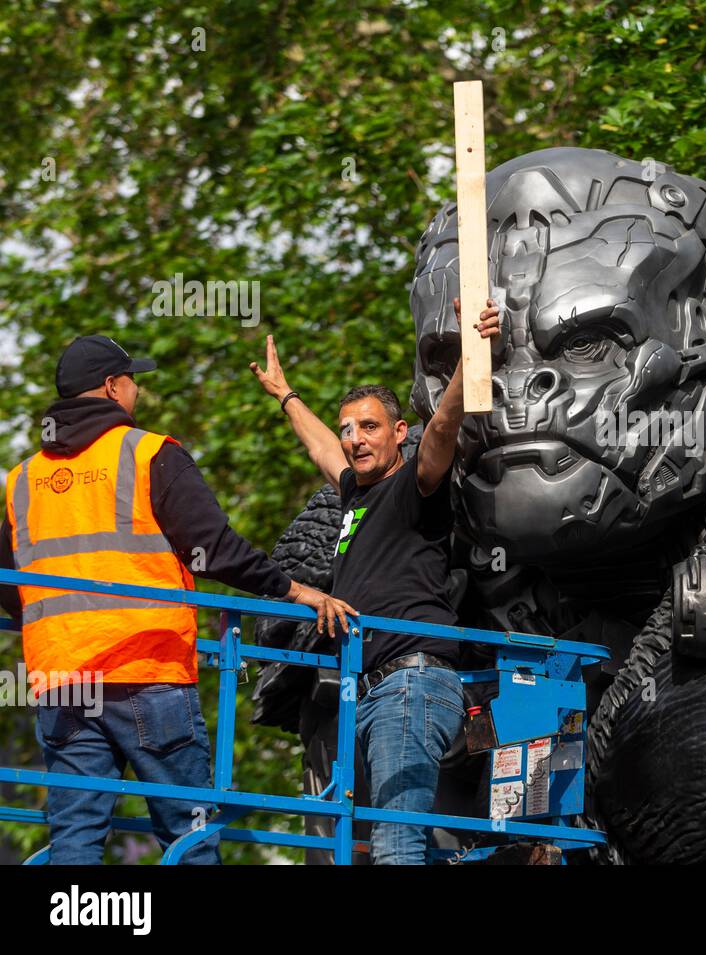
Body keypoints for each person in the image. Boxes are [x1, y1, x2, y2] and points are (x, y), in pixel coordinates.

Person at [0, 334, 354, 864]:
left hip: (62, 681)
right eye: (133, 380)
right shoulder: (148, 453)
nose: (136, 390)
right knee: (187, 837)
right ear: (112, 387)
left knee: (73, 841)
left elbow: (11, 588)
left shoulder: (22, 479)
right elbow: (213, 548)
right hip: (149, 671)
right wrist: (296, 589)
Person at [249, 298, 501, 864]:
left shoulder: (413, 486)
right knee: (363, 847)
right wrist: (286, 396)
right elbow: (318, 444)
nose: (355, 439)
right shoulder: (353, 495)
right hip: (366, 690)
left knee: (395, 842)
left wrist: (469, 350)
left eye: (369, 427)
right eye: (349, 430)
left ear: (397, 432)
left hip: (411, 683)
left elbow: (443, 428)